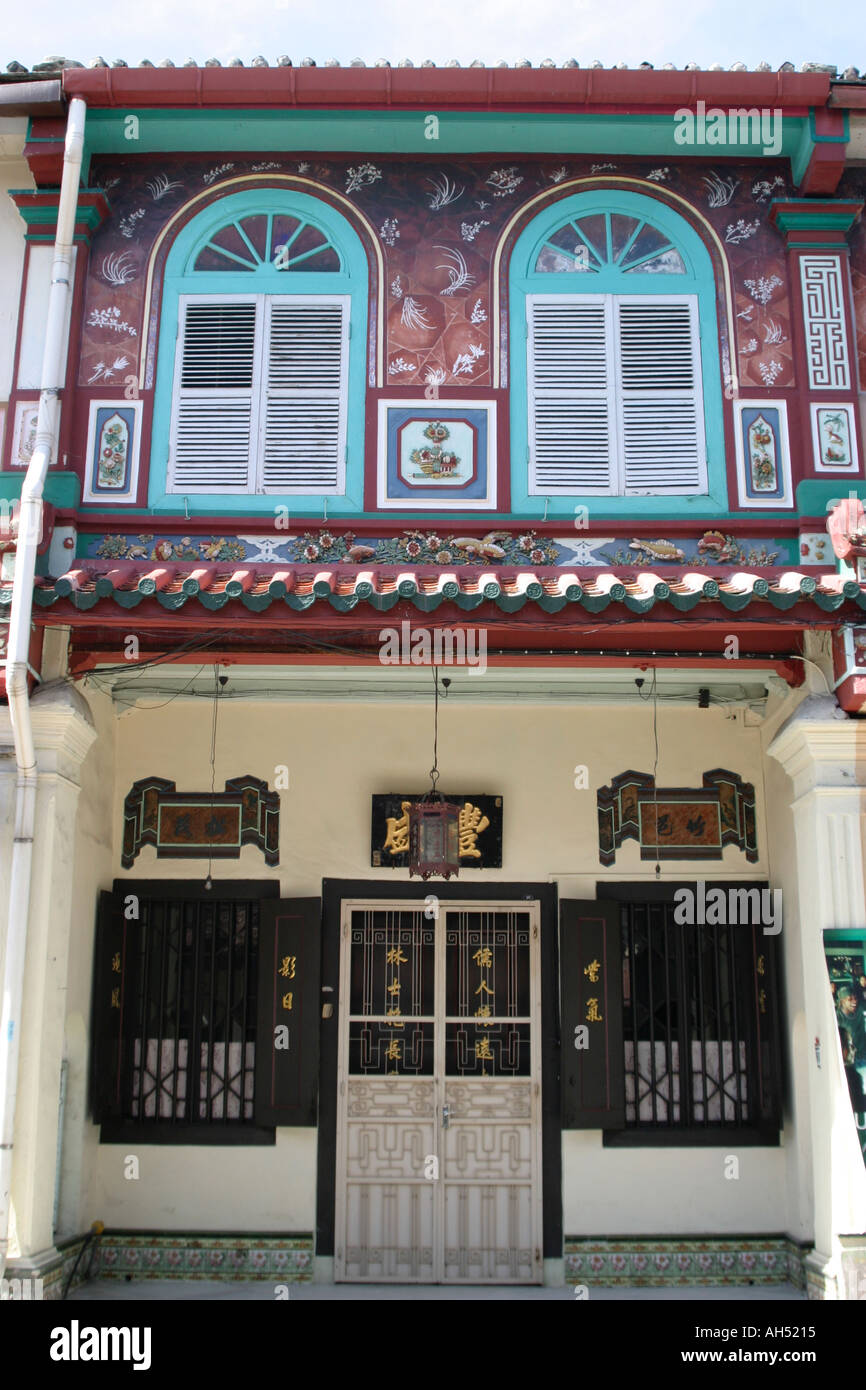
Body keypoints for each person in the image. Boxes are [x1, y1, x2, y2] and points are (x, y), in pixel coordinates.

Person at [836, 986, 866, 1104]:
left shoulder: (859, 1010)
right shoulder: (837, 1018)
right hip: (850, 1063)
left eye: (855, 998)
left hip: (863, 1057)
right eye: (850, 999)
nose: (854, 1001)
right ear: (842, 1001)